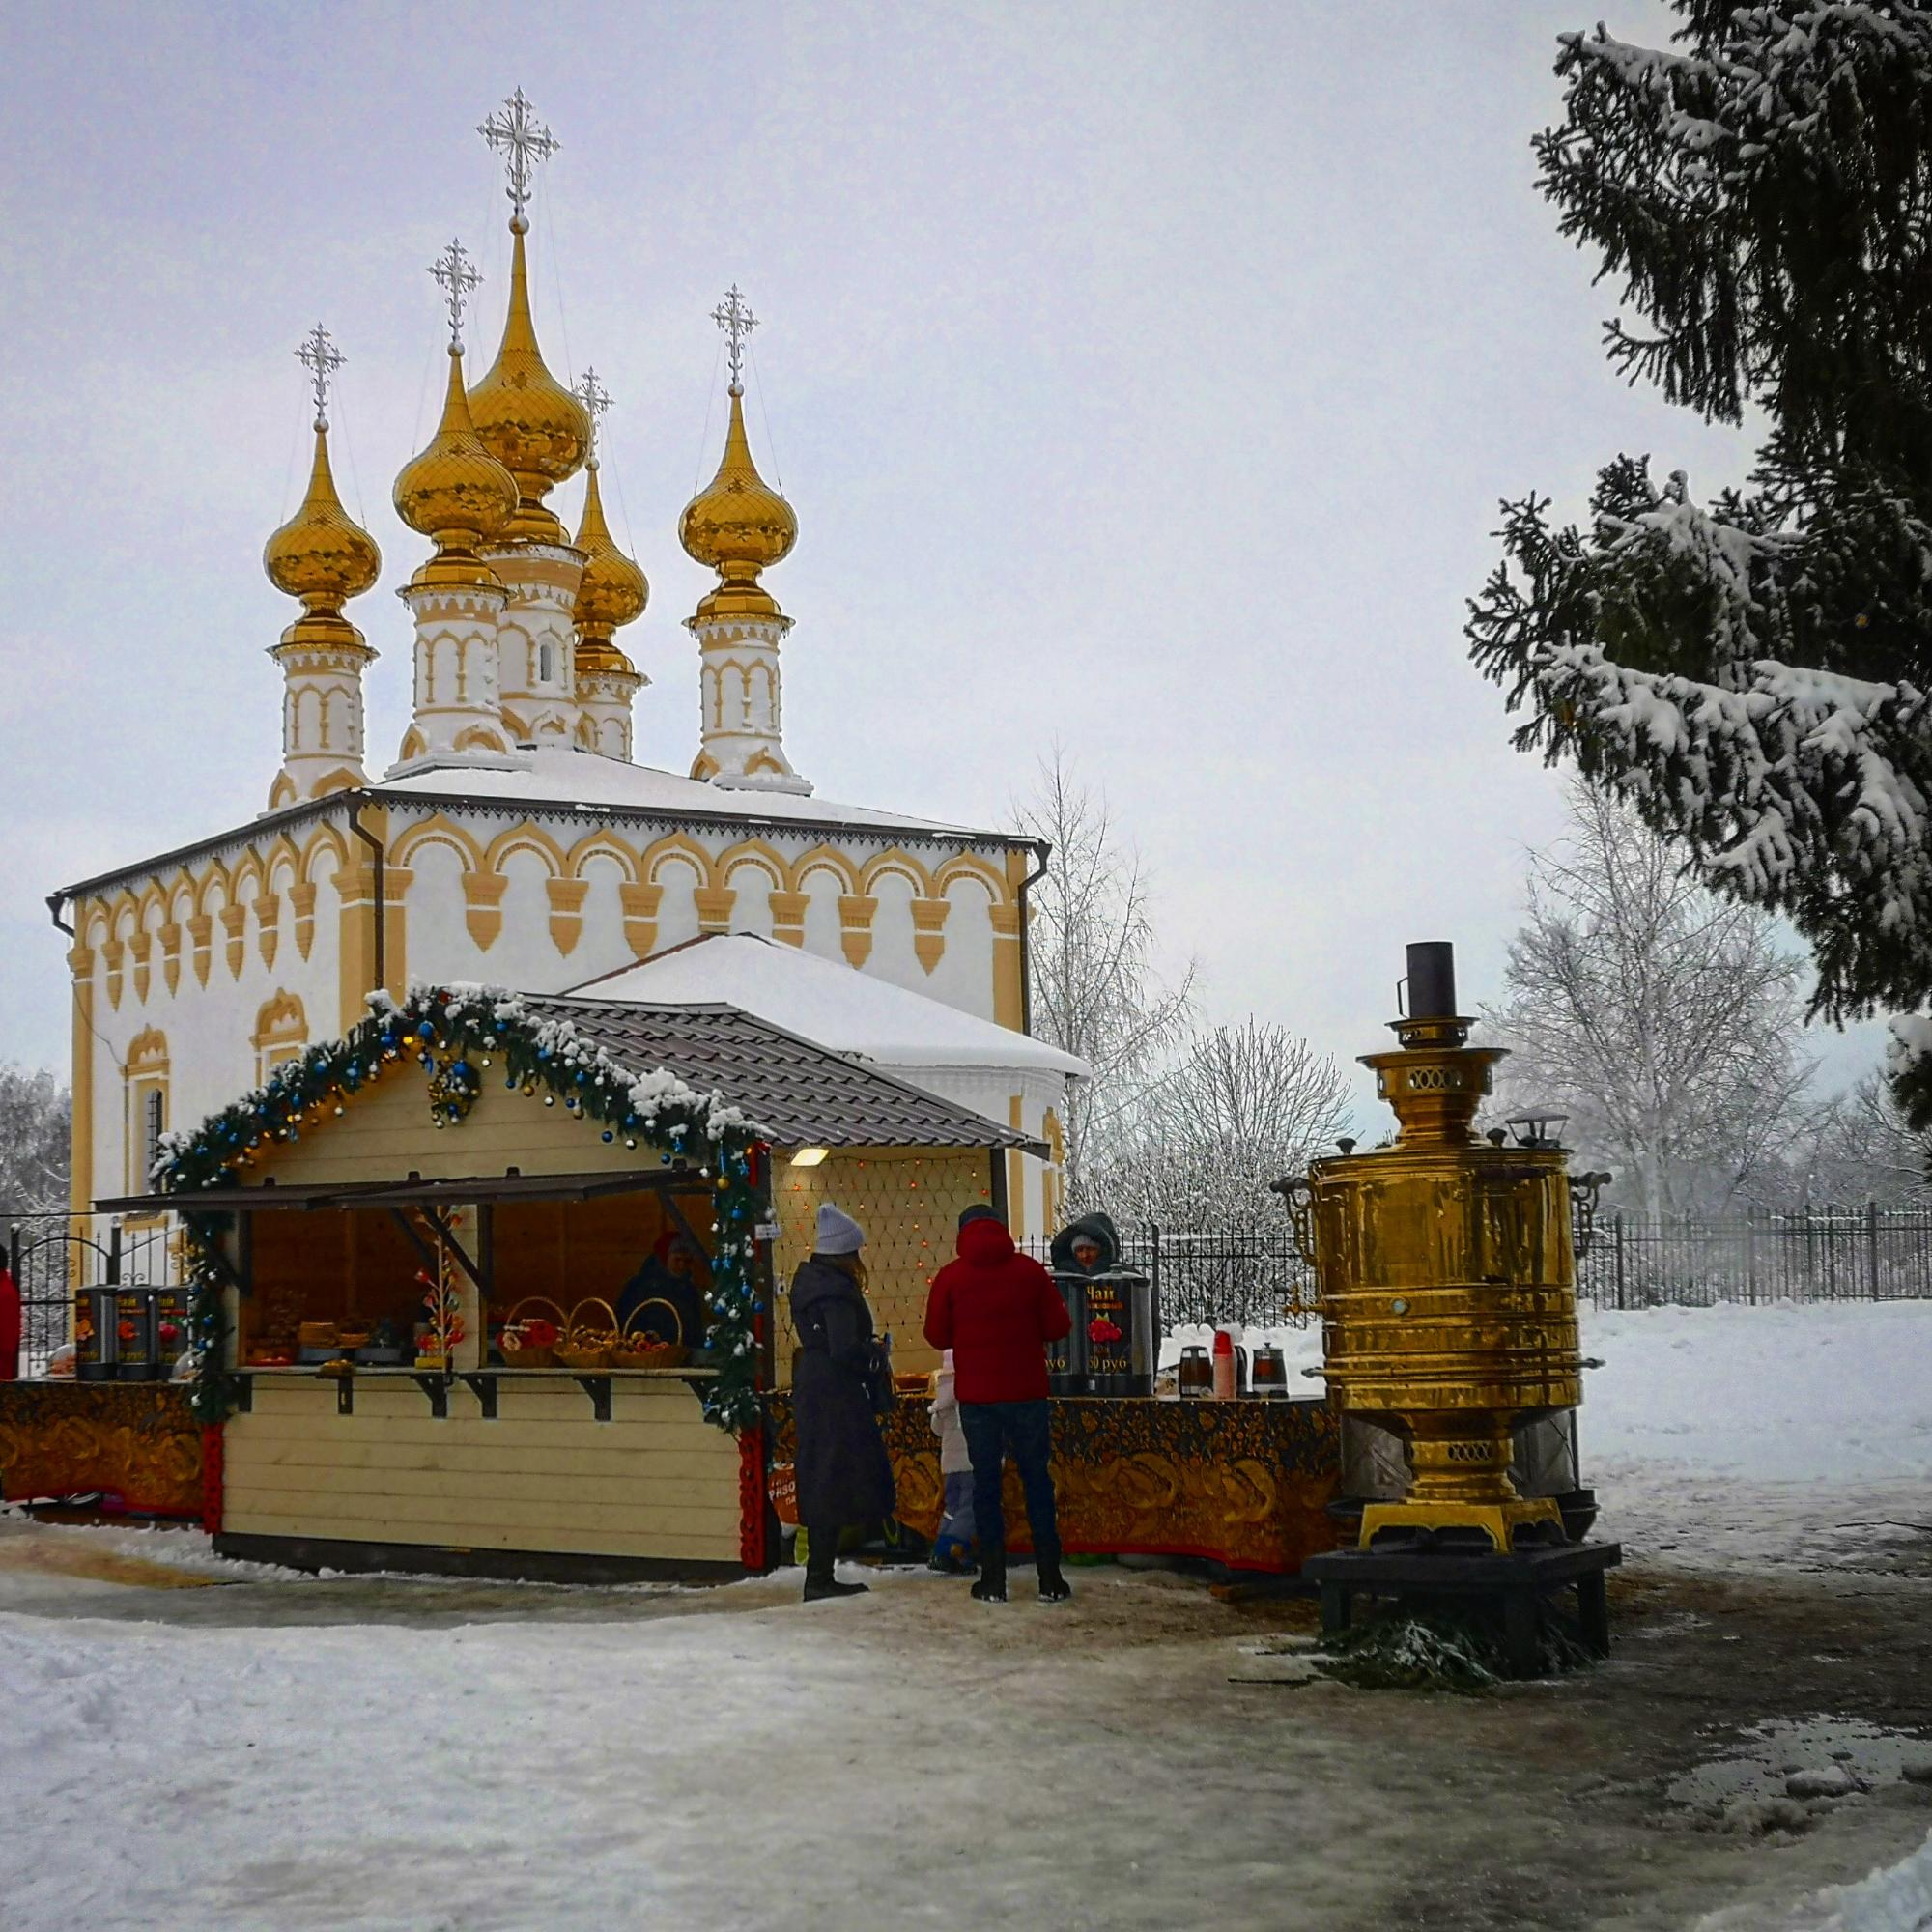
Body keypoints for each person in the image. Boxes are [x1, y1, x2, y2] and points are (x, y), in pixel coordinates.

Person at [923, 1204, 1073, 1604]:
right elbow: (1060, 1325)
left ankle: (992, 1580)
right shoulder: (1029, 1272)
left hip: (979, 1400)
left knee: (986, 1485)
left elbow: (936, 1335)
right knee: (1036, 1480)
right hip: (1027, 1393)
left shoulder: (951, 1277)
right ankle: (1050, 1578)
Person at [789, 1204, 895, 1604]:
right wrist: (873, 1355)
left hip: (815, 1388)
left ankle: (819, 1574)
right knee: (831, 1478)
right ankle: (819, 1577)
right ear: (845, 1254)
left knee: (823, 1475)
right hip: (835, 1393)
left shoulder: (812, 1283)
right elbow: (843, 1347)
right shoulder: (835, 1292)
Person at [926, 1349, 977, 1575]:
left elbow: (936, 1429)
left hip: (948, 1463)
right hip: (969, 1460)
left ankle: (946, 1552)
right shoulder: (967, 1388)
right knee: (970, 1507)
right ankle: (946, 1549)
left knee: (952, 1507)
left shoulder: (942, 1393)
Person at [615, 1233, 708, 1348]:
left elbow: (695, 1328)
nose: (681, 1265)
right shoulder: (639, 1286)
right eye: (677, 1259)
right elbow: (622, 1323)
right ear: (665, 1258)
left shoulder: (689, 1290)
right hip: (641, 1352)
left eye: (686, 1261)